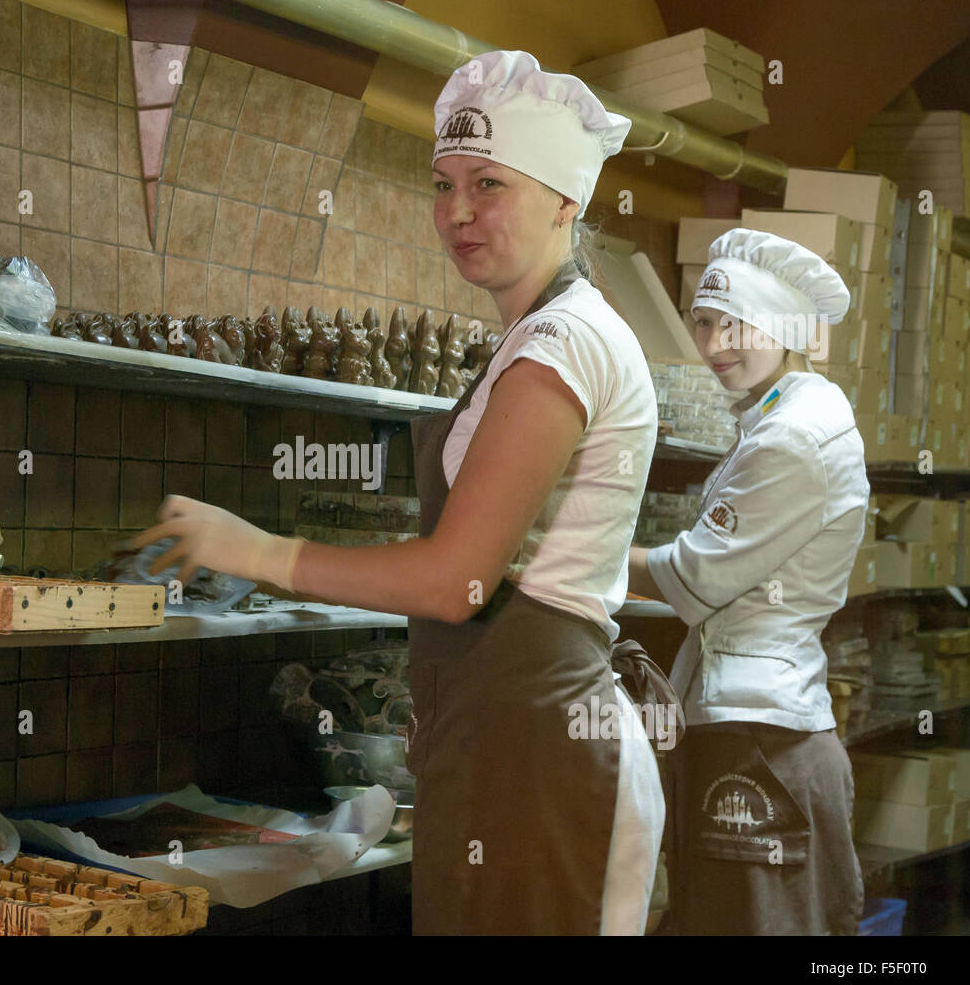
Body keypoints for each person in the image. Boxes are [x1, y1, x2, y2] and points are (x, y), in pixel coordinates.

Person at [133, 50, 665, 935]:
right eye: (443, 183)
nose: (457, 211)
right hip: (508, 741)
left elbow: (455, 580)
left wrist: (255, 550)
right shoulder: (546, 336)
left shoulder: (561, 346)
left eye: (488, 183)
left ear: (567, 199)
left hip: (538, 751)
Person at [627, 227, 869, 935]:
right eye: (703, 321)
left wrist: (577, 556)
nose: (714, 343)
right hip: (757, 729)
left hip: (759, 742)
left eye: (737, 324)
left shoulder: (791, 435)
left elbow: (696, 581)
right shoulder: (784, 413)